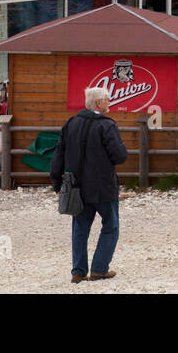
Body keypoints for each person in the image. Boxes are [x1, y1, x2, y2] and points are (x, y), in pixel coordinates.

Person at [50, 86, 128, 283]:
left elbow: (58, 154)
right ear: (99, 103)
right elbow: (119, 156)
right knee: (111, 225)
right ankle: (99, 268)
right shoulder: (107, 125)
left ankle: (78, 271)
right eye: (108, 100)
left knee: (80, 228)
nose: (110, 103)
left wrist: (57, 183)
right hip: (103, 187)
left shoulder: (71, 123)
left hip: (76, 186)